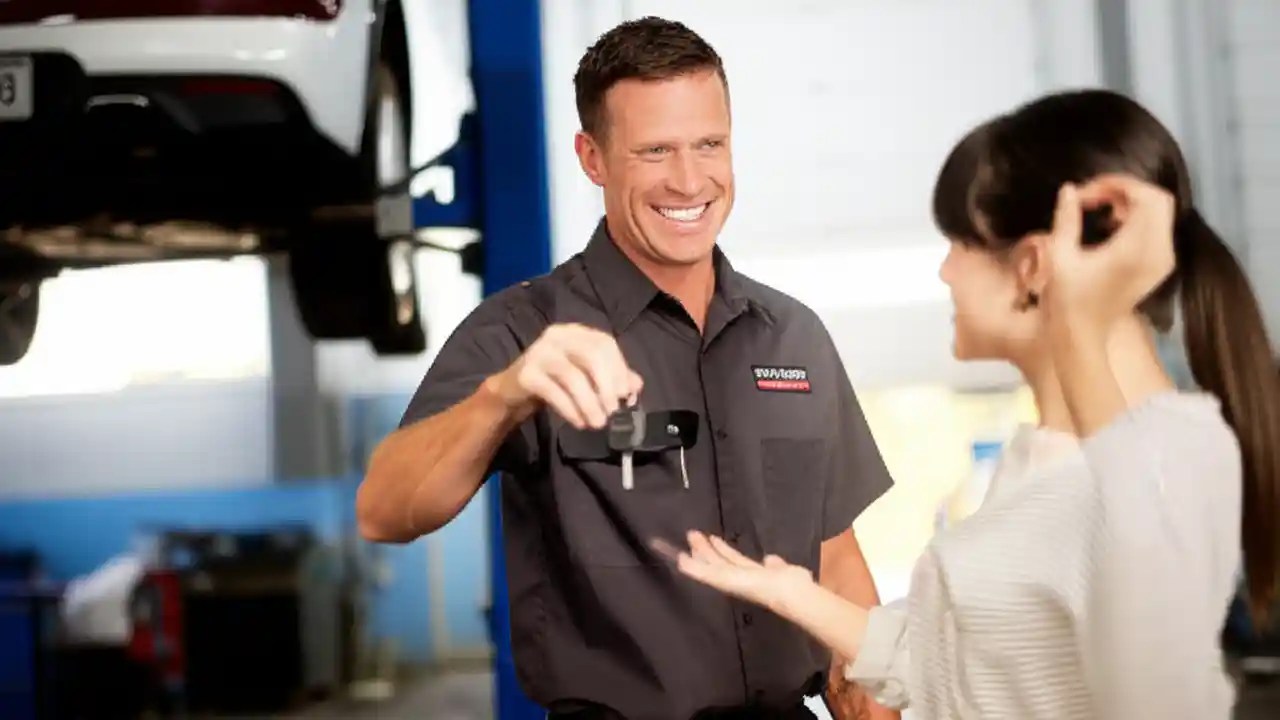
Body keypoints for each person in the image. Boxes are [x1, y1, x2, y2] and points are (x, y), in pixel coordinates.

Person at [664, 88, 1280, 719]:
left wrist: (1077, 319)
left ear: (1034, 264)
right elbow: (962, 668)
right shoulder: (1041, 458)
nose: (946, 272)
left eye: (960, 242)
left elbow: (1155, 695)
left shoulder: (1167, 455)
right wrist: (793, 593)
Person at [355, 16, 898, 720]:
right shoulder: (523, 333)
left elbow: (836, 559)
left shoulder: (792, 337)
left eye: (710, 145)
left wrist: (872, 701)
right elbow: (385, 511)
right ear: (593, 158)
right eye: (654, 151)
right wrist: (504, 396)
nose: (689, 180)